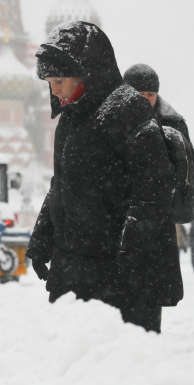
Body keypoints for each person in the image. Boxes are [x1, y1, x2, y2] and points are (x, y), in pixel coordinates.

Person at [26, 21, 180, 333]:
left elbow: (153, 189)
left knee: (123, 355)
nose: (54, 90)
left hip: (121, 275)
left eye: (59, 80)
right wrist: (42, 239)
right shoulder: (71, 119)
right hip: (76, 268)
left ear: (86, 72)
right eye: (49, 83)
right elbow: (61, 185)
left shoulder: (128, 111)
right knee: (76, 354)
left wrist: (131, 252)